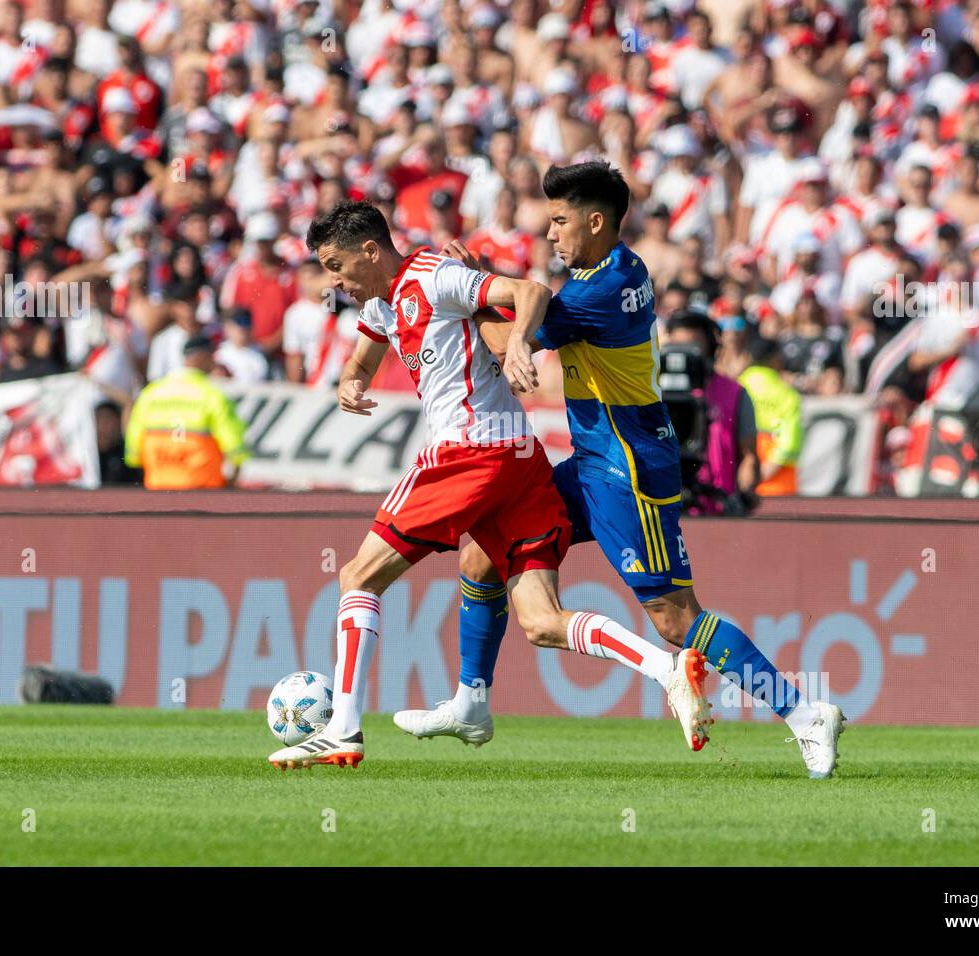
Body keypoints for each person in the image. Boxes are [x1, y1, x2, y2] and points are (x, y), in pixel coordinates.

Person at [396, 162, 844, 779]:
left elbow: (502, 344)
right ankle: (472, 702)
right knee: (482, 554)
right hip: (591, 462)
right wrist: (483, 290)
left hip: (629, 470)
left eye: (559, 220)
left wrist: (468, 294)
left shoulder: (595, 293)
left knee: (676, 619)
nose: (550, 233)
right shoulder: (615, 268)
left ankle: (804, 713)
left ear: (595, 220)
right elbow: (520, 322)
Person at [267, 199, 712, 770]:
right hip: (520, 461)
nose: (332, 280)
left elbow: (529, 292)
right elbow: (359, 364)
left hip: (470, 450)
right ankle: (667, 669)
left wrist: (521, 341)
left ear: (370, 250)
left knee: (357, 575)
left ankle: (342, 729)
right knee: (542, 621)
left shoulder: (435, 275)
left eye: (335, 264)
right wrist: (349, 386)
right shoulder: (381, 304)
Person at [666, 308, 761, 516]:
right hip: (663, 513)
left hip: (717, 512)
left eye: (694, 345)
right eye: (678, 345)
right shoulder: (649, 392)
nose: (685, 352)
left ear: (711, 347)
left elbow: (749, 457)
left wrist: (743, 496)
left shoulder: (735, 393)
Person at [123, 333, 248, 490]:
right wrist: (229, 484)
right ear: (202, 356)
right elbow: (236, 450)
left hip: (158, 490)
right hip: (202, 492)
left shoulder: (150, 394)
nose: (214, 361)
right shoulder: (214, 396)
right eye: (212, 355)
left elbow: (133, 454)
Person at [740, 334, 804, 497]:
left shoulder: (736, 387)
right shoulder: (787, 393)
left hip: (740, 476)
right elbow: (790, 443)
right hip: (778, 483)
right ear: (776, 358)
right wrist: (764, 471)